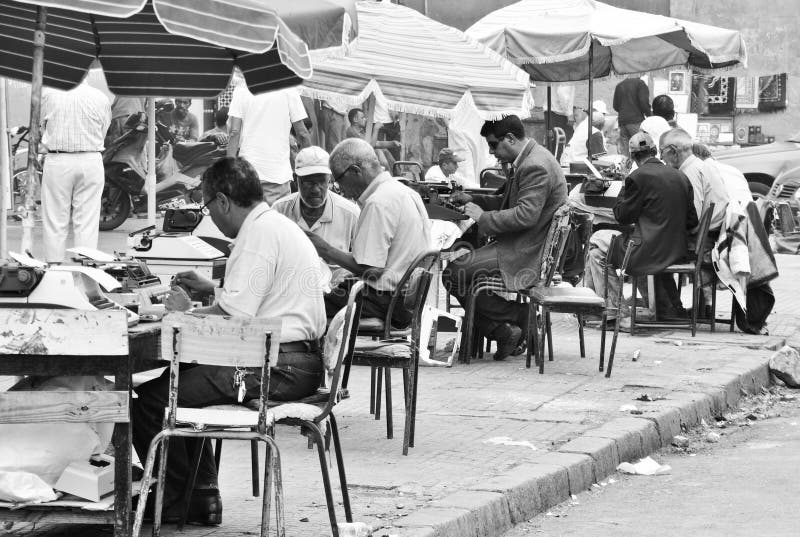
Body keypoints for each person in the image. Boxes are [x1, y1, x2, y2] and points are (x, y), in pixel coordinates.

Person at [132, 157, 326, 525]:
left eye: (208, 207)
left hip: (277, 366)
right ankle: (200, 496)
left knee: (154, 401)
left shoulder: (255, 237)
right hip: (292, 360)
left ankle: (175, 501)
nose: (211, 217)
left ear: (222, 201)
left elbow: (232, 320)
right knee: (186, 378)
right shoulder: (273, 226)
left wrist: (184, 314)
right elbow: (254, 298)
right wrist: (214, 290)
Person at [444, 115, 567, 360]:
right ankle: (503, 331)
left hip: (527, 252)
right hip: (522, 244)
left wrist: (482, 217)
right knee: (462, 274)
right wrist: (473, 200)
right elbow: (507, 203)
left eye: (493, 145)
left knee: (454, 273)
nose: (492, 153)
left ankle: (518, 316)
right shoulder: (529, 159)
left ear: (509, 138)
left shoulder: (535, 165)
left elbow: (525, 215)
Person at [307, 138, 431, 327]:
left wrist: (325, 250)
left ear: (355, 171)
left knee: (306, 304)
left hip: (386, 301)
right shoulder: (403, 191)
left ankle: (318, 355)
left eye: (338, 180)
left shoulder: (378, 202)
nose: (341, 190)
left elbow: (372, 271)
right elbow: (375, 261)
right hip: (402, 298)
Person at [584, 132, 698, 321]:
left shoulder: (637, 177)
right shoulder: (680, 176)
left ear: (633, 156)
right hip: (676, 249)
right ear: (655, 151)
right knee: (596, 253)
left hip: (647, 251)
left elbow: (622, 216)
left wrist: (622, 187)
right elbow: (692, 221)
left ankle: (612, 311)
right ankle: (598, 311)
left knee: (595, 242)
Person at [39, 82, 111, 263]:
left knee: (55, 219)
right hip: (90, 158)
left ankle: (54, 270)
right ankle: (84, 269)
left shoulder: (49, 94)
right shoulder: (100, 96)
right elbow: (104, 129)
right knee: (87, 222)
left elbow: (42, 127)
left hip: (58, 159)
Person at [272, 146, 360, 277]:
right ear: (296, 179)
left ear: (329, 179)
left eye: (321, 182)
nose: (316, 190)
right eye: (309, 182)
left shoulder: (351, 213)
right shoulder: (279, 211)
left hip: (336, 292)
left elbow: (365, 263)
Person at [227, 85, 311, 204]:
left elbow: (234, 132)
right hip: (278, 177)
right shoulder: (288, 89)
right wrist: (309, 167)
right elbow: (302, 134)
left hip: (246, 174)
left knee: (250, 220)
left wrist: (228, 170)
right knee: (277, 220)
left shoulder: (241, 88)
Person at [660, 128, 729, 236]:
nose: (661, 158)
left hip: (702, 239)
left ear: (673, 151)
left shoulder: (690, 172)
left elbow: (693, 220)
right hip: (710, 232)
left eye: (662, 152)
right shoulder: (698, 165)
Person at [613, 77, 652, 156]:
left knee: (625, 153)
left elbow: (615, 106)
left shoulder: (619, 85)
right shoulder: (640, 83)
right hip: (636, 121)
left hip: (622, 122)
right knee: (642, 150)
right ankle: (641, 168)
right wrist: (650, 116)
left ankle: (626, 168)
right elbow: (644, 102)